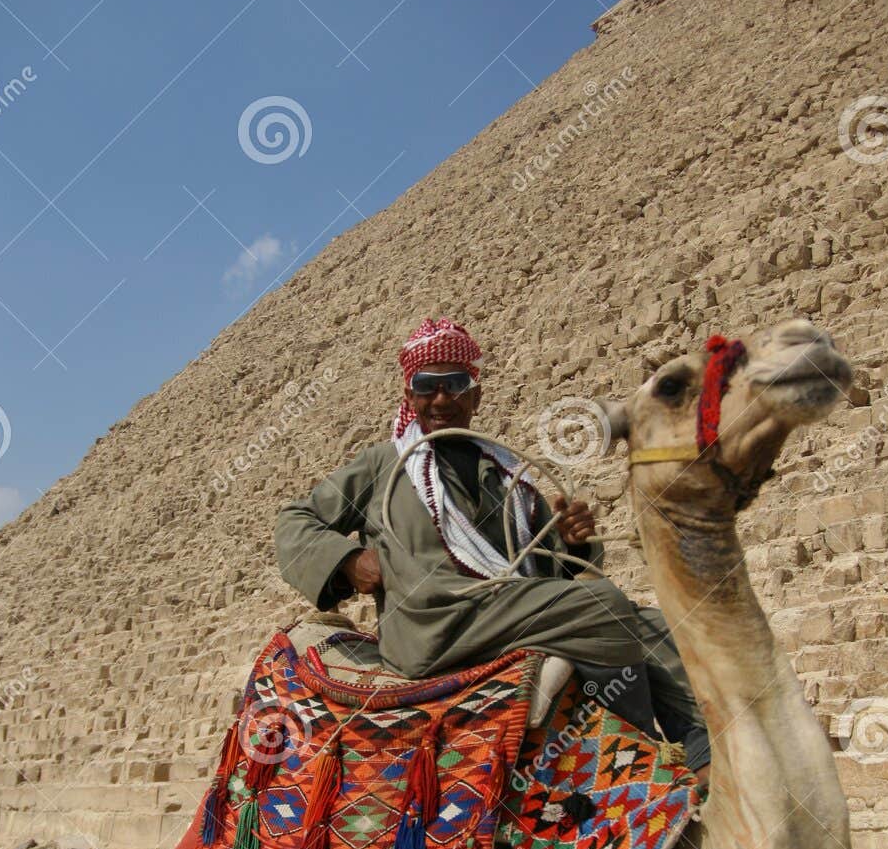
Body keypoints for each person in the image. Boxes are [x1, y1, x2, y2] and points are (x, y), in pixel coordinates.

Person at [275, 316, 710, 778]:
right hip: (432, 623)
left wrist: (570, 542)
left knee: (653, 623)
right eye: (426, 386)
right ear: (409, 396)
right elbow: (294, 520)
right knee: (603, 605)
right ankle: (637, 762)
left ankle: (704, 751)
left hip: (500, 609)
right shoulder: (385, 465)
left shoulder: (503, 473)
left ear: (476, 394)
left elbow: (541, 568)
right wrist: (347, 561)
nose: (441, 399)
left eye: (455, 384)